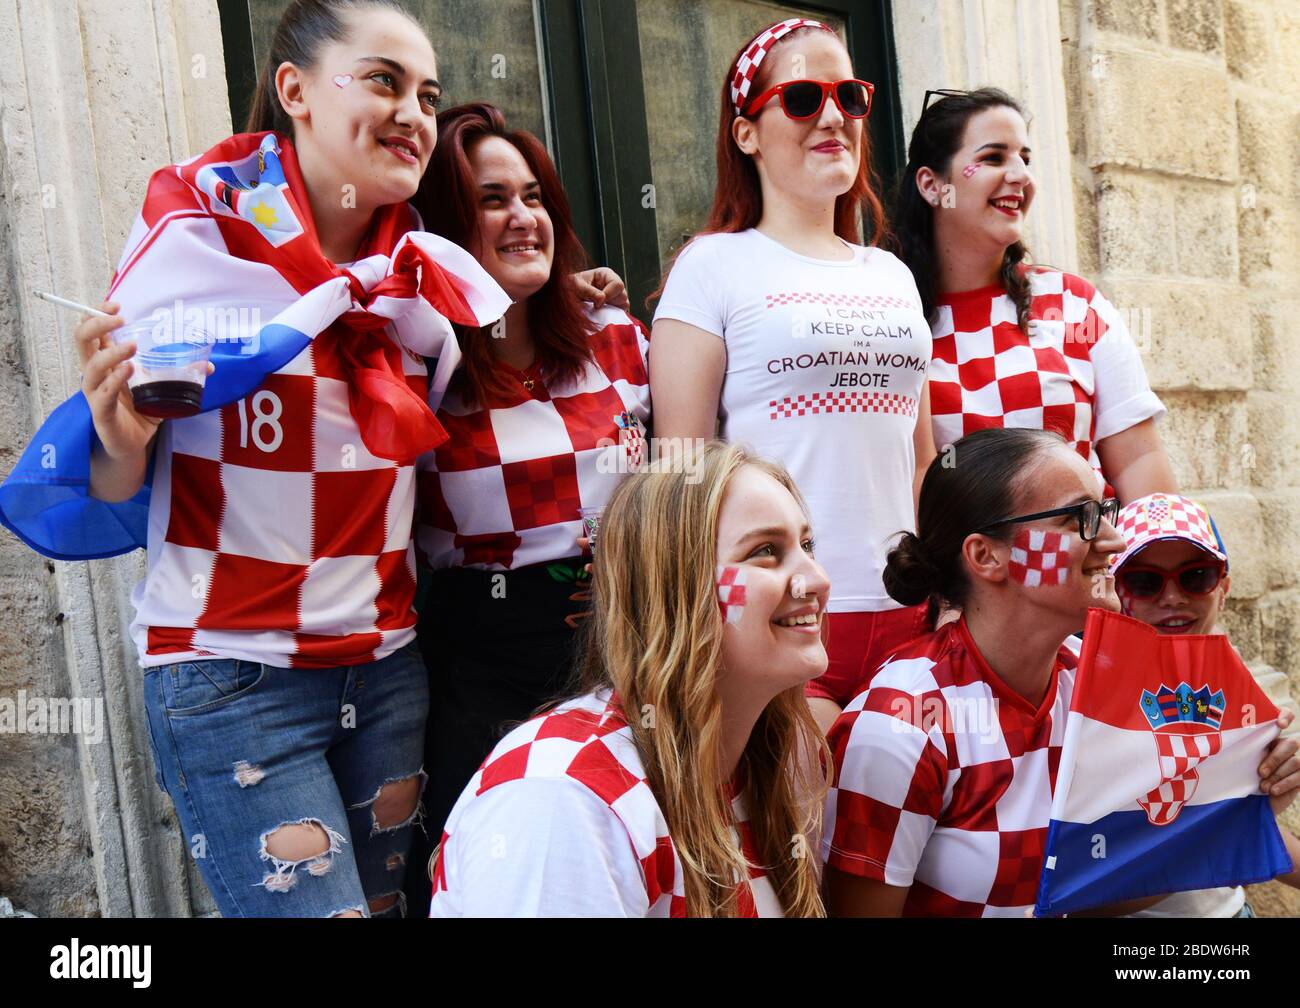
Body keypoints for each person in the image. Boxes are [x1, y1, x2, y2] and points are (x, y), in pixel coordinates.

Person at [63, 0, 513, 917]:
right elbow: (115, 484)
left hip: (386, 670)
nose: (415, 114)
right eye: (383, 81)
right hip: (233, 678)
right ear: (295, 91)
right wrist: (118, 437)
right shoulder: (198, 245)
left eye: (428, 95)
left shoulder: (419, 278)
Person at [823, 428, 1300, 916]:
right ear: (986, 556)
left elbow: (1083, 899)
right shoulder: (898, 725)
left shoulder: (1095, 684)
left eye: (1105, 512)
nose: (1113, 540)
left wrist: (1248, 792)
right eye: (1080, 519)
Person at [650, 19, 936, 732]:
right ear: (747, 133)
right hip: (780, 619)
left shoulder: (892, 274)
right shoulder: (712, 266)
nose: (834, 114)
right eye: (804, 97)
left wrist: (951, 598)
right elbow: (680, 470)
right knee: (799, 834)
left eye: (851, 95)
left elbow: (921, 459)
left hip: (910, 615)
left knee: (907, 841)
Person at [405, 102, 652, 904]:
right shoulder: (418, 363)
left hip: (625, 650)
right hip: (484, 669)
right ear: (447, 224)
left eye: (535, 196)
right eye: (492, 200)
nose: (523, 218)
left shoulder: (615, 338)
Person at [429, 442, 830, 916]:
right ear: (674, 585)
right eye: (765, 551)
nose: (816, 579)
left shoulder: (762, 766)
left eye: (806, 546)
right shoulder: (562, 797)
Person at [890, 87, 1176, 503]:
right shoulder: (888, 316)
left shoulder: (1075, 304)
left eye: (1024, 159)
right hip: (960, 566)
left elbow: (1138, 461)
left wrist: (1166, 559)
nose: (1021, 176)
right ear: (933, 186)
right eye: (992, 158)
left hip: (1088, 561)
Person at [1112, 492, 1300, 917]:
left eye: (1195, 576)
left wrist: (1263, 796)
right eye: (1144, 581)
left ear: (1224, 588)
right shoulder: (1089, 701)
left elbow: (1244, 829)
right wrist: (1231, 829)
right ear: (1113, 591)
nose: (1173, 597)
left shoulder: (1230, 685)